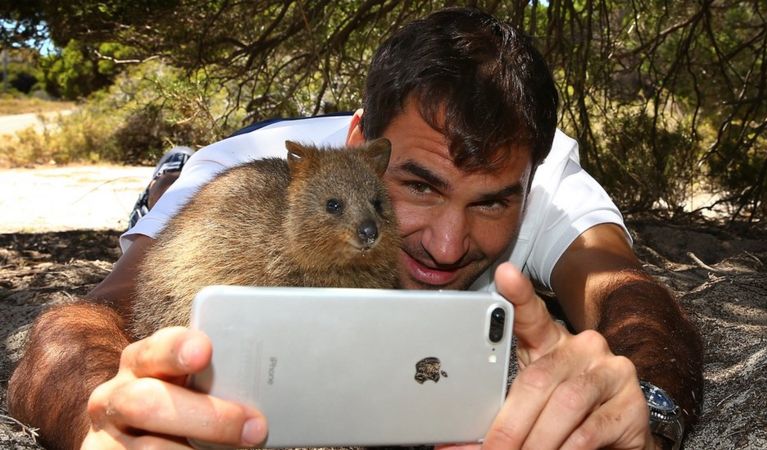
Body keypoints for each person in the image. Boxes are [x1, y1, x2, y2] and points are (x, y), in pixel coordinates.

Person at [8, 7, 702, 450]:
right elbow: (81, 323)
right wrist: (99, 418)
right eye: (418, 187)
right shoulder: (242, 176)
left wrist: (647, 407)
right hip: (243, 170)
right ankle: (166, 174)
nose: (447, 244)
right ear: (363, 140)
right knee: (169, 199)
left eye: (490, 204)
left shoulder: (533, 176)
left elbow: (628, 294)